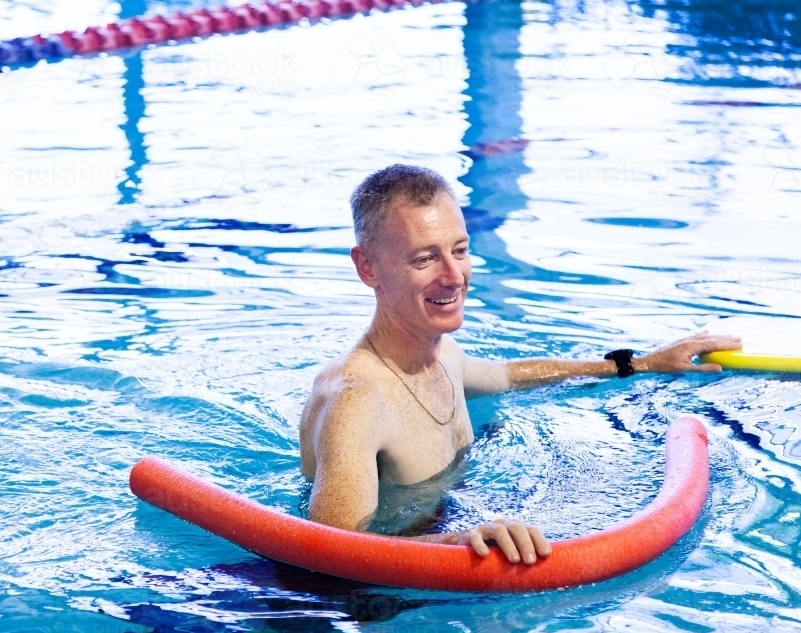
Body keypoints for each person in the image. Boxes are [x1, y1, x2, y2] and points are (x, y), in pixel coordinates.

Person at [298, 164, 741, 566]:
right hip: (376, 606)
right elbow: (332, 554)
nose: (454, 277)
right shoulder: (357, 401)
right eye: (425, 258)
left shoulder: (443, 356)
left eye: (459, 250)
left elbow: (509, 375)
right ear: (368, 268)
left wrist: (637, 364)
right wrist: (459, 544)